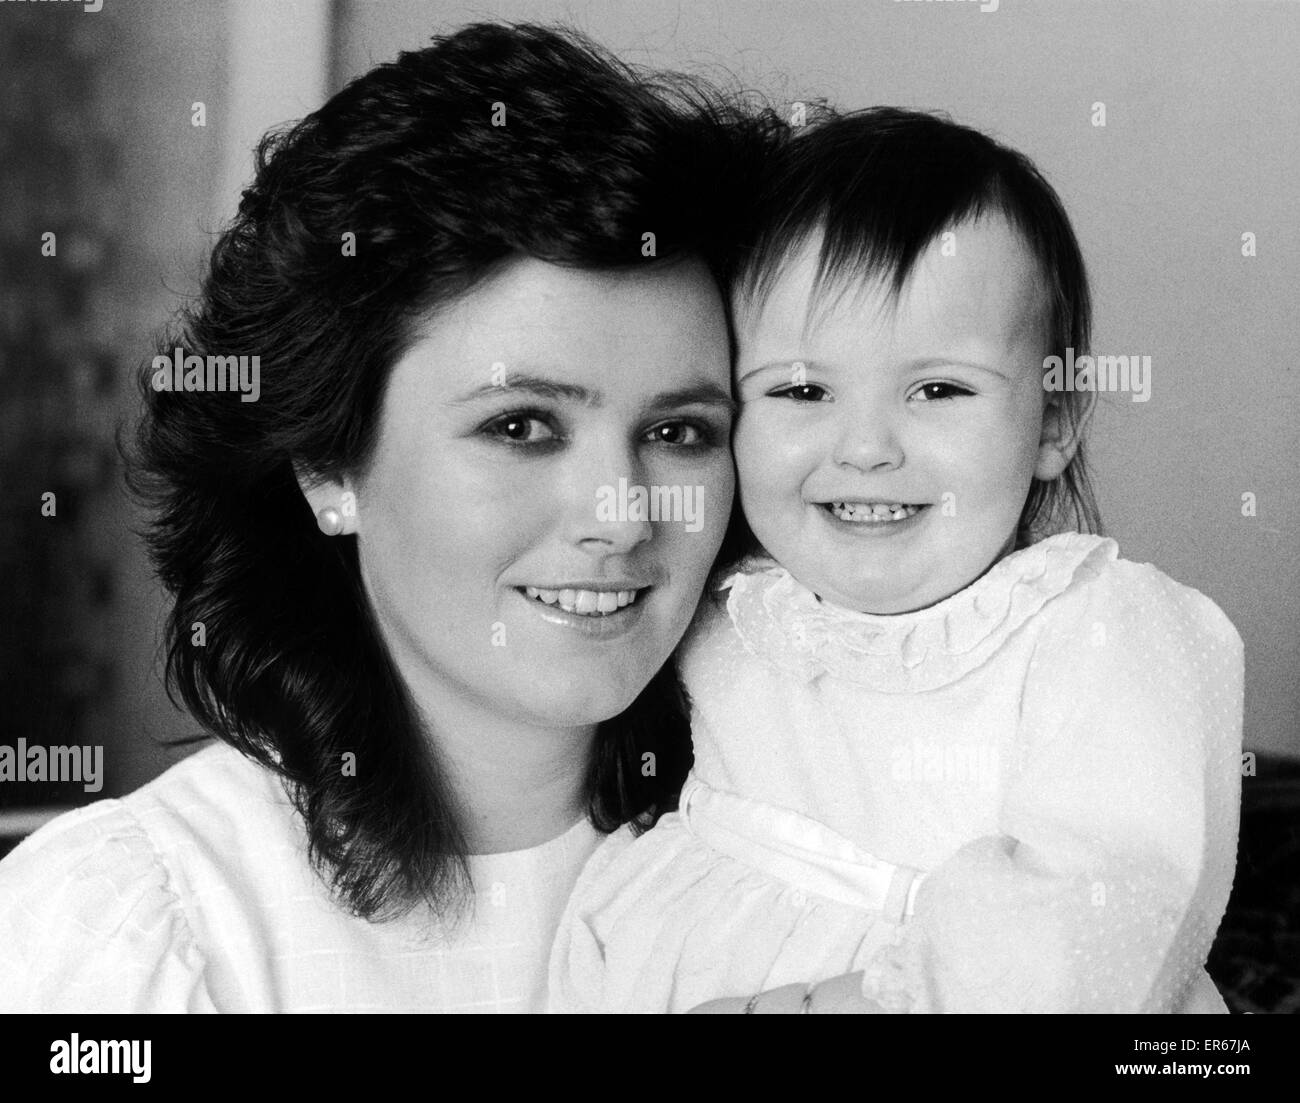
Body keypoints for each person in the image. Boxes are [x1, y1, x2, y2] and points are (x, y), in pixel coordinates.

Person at [0, 22, 773, 1012]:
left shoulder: (810, 868)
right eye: (523, 424)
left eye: (679, 431)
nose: (620, 514)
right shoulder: (143, 927)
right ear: (328, 465)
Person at [550, 107, 1244, 1014]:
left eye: (938, 388)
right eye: (802, 389)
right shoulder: (729, 604)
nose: (867, 446)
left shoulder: (1102, 627)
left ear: (1057, 419)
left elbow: (1101, 909)